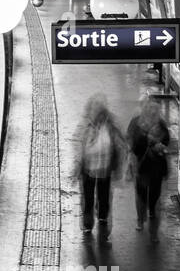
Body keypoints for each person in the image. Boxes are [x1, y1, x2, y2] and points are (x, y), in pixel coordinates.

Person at [74, 95, 125, 239]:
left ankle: (102, 216)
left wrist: (123, 153)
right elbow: (78, 143)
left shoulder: (109, 125)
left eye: (99, 109)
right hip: (88, 170)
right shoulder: (86, 125)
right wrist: (77, 165)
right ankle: (88, 223)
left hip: (104, 169)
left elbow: (119, 140)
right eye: (94, 108)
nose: (96, 112)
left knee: (104, 196)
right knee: (88, 198)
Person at [126, 95, 172, 232]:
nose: (150, 110)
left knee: (155, 193)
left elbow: (167, 140)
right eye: (147, 107)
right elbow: (132, 142)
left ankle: (152, 209)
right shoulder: (136, 122)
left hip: (156, 166)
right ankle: (140, 220)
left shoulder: (161, 124)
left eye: (153, 108)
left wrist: (161, 147)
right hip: (141, 164)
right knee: (140, 194)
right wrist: (150, 141)